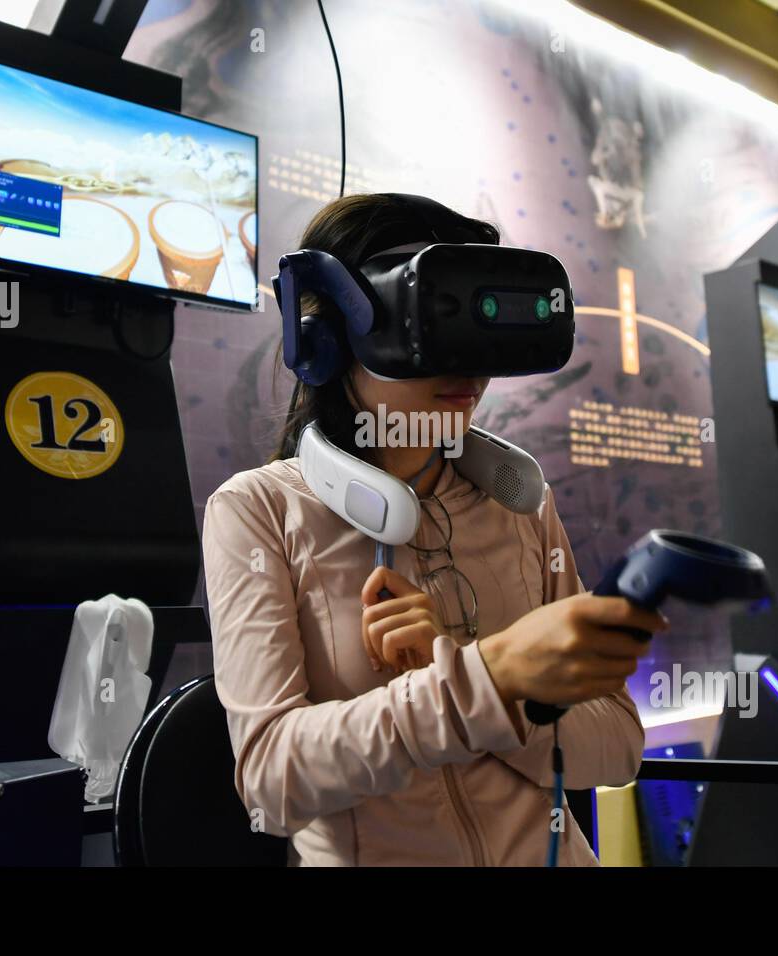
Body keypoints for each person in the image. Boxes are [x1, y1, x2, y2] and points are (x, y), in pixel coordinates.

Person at [200, 193, 665, 866]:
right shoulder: (259, 512)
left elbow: (618, 743)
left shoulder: (521, 504)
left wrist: (483, 675)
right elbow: (272, 784)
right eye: (433, 328)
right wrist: (483, 681)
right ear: (327, 339)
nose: (468, 370)